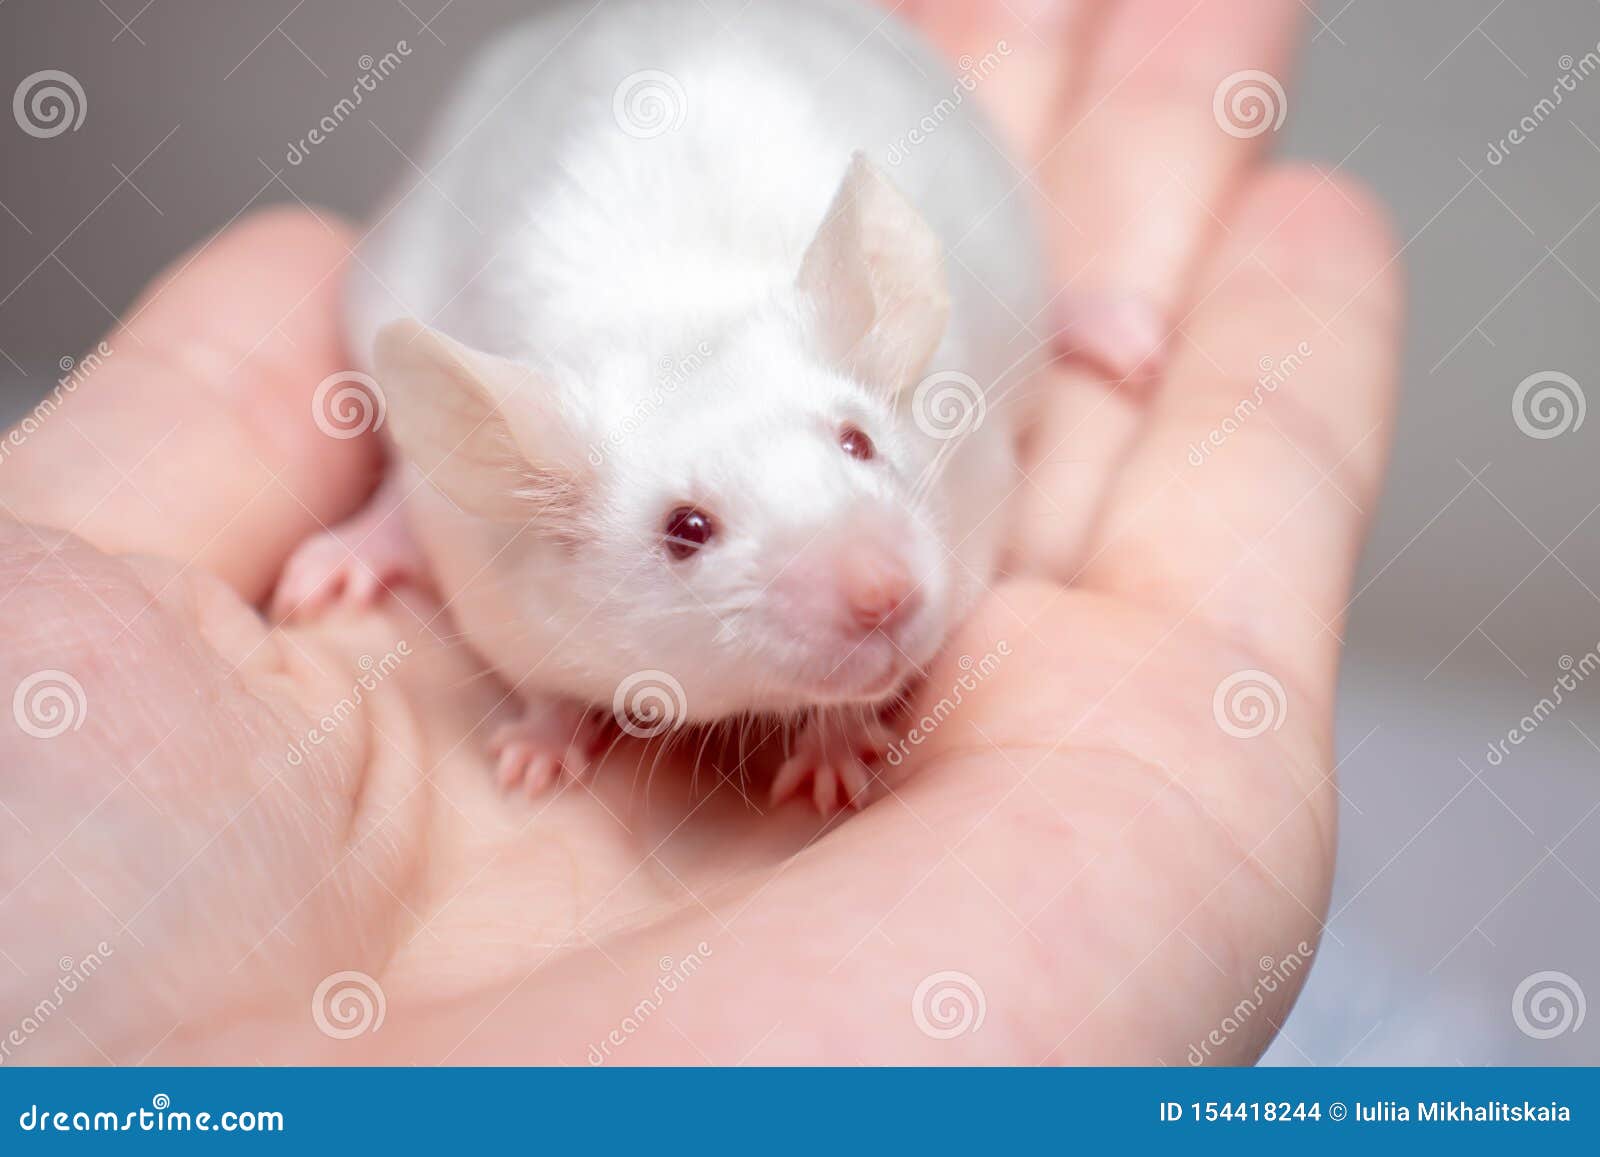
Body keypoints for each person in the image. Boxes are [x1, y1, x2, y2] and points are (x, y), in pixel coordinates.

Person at [0, 0, 1398, 1063]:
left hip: (842, 93)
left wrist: (836, 717)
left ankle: (1020, 318)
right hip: (560, 120)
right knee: (392, 295)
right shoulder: (517, 498)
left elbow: (951, 497)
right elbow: (485, 534)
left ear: (884, 378)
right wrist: (459, 577)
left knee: (986, 252)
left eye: (854, 444)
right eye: (685, 527)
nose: (874, 580)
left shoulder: (906, 375)